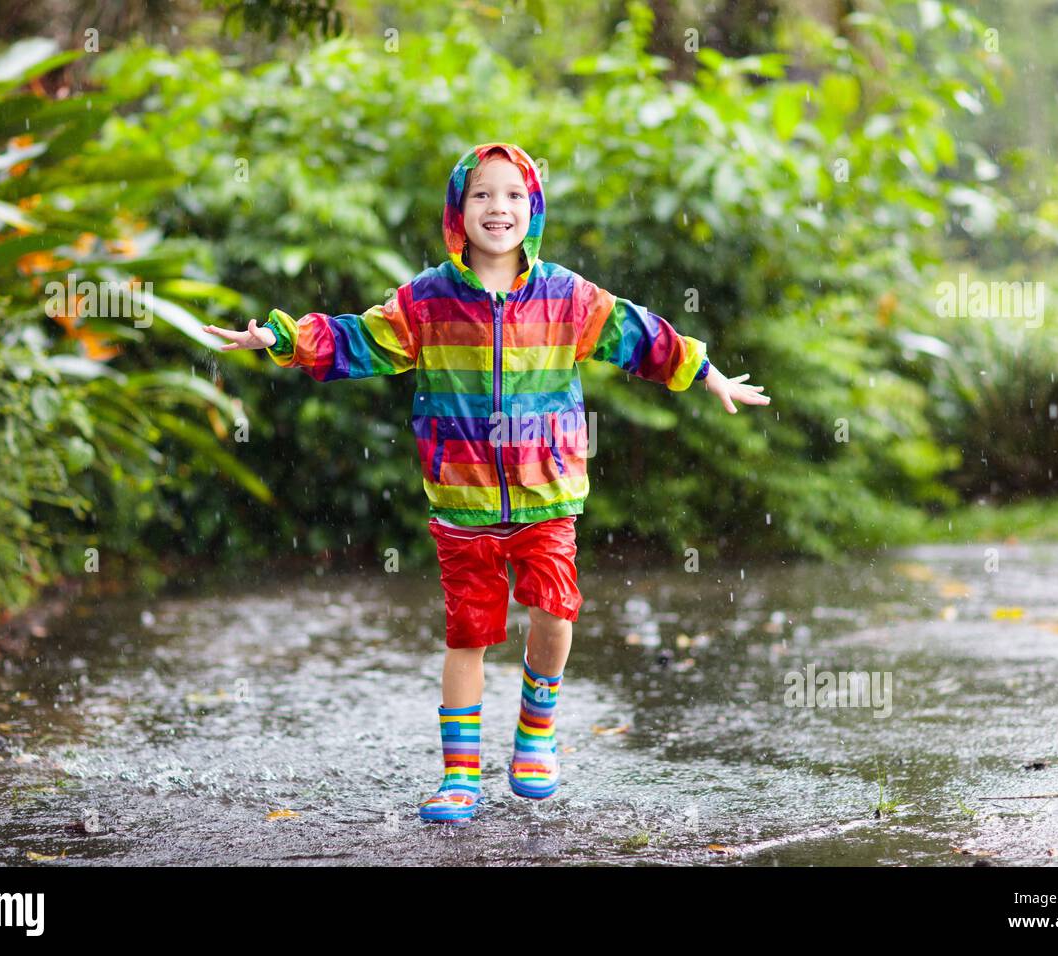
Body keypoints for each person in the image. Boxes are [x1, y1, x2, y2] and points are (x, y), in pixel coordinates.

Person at [203, 142, 770, 824]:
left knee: (555, 614)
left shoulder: (565, 296)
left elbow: (637, 333)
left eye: (511, 195)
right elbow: (358, 338)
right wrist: (283, 338)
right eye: (481, 195)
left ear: (532, 208)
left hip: (546, 494)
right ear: (457, 213)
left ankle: (536, 726)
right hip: (461, 502)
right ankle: (459, 776)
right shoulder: (427, 302)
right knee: (468, 636)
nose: (497, 207)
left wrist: (704, 372)